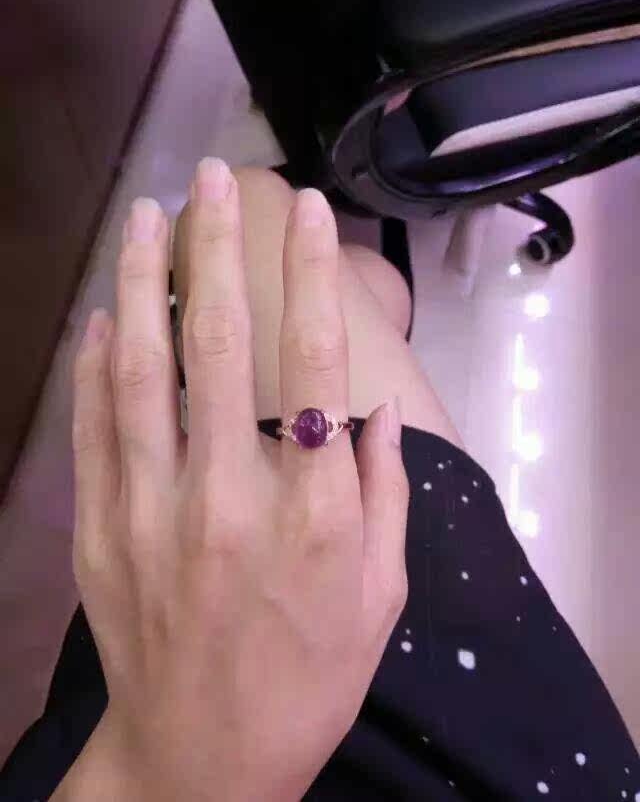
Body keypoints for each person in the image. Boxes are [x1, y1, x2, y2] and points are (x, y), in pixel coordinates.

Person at [1, 160, 638, 801]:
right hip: (509, 742)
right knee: (361, 281)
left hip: (181, 704)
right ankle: (365, 308)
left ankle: (348, 315)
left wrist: (158, 778)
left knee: (261, 214)